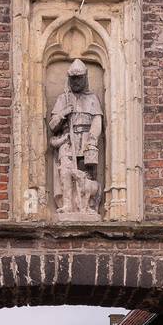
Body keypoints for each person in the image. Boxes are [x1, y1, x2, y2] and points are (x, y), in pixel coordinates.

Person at [49, 59, 103, 215]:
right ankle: (67, 204)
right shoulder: (62, 99)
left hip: (86, 139)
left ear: (85, 78)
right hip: (68, 141)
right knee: (65, 173)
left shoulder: (92, 98)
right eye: (73, 78)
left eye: (79, 78)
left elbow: (97, 120)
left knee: (87, 173)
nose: (76, 82)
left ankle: (88, 206)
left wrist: (92, 140)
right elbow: (53, 126)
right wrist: (62, 114)